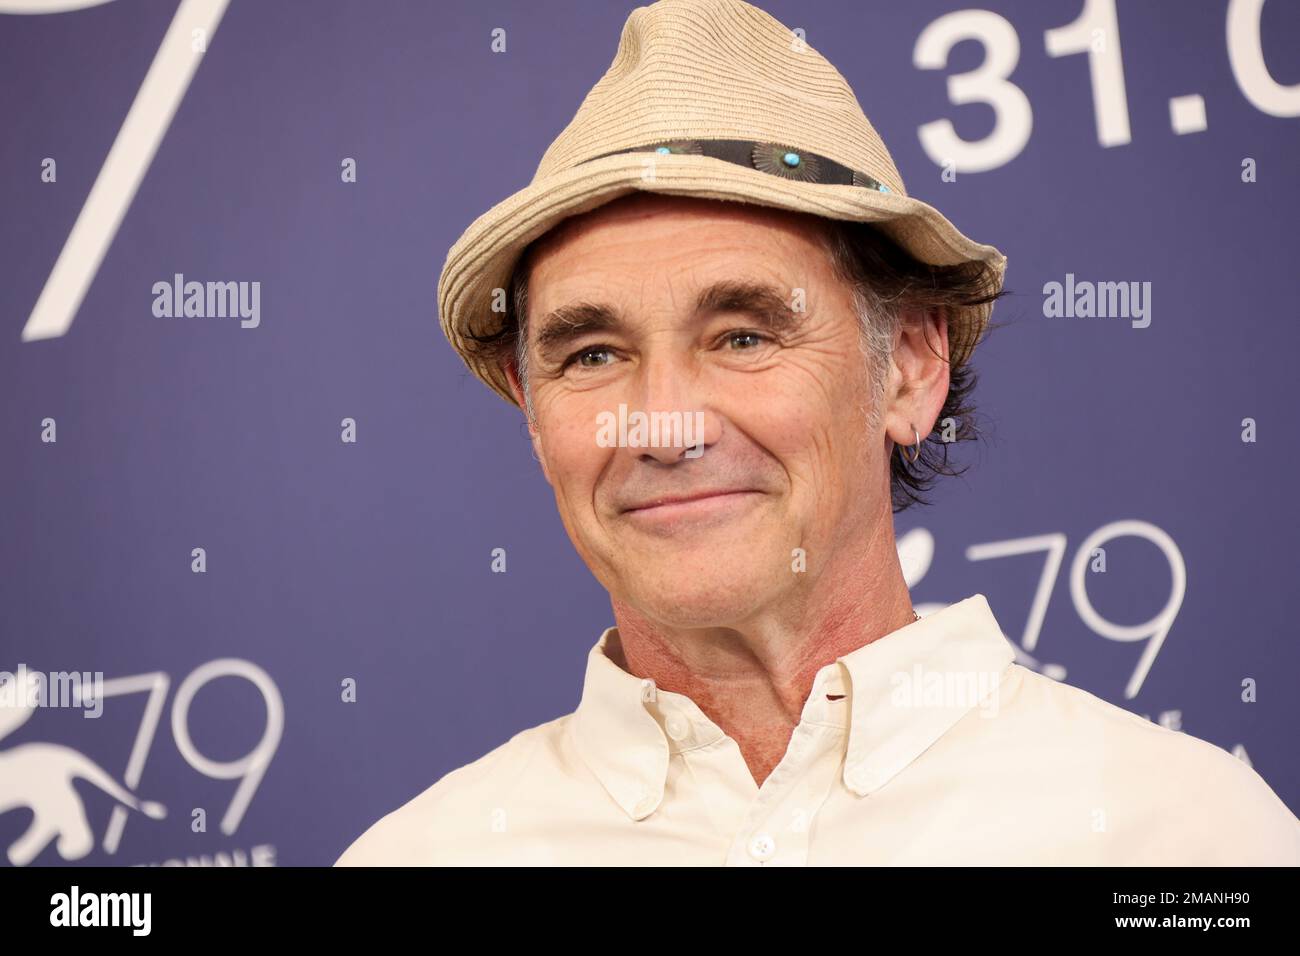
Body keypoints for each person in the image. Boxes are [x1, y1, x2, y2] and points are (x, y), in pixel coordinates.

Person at [336, 0, 1300, 865]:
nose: (665, 423)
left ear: (912, 369)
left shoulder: (1189, 836)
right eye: (591, 354)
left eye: (744, 334)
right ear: (535, 415)